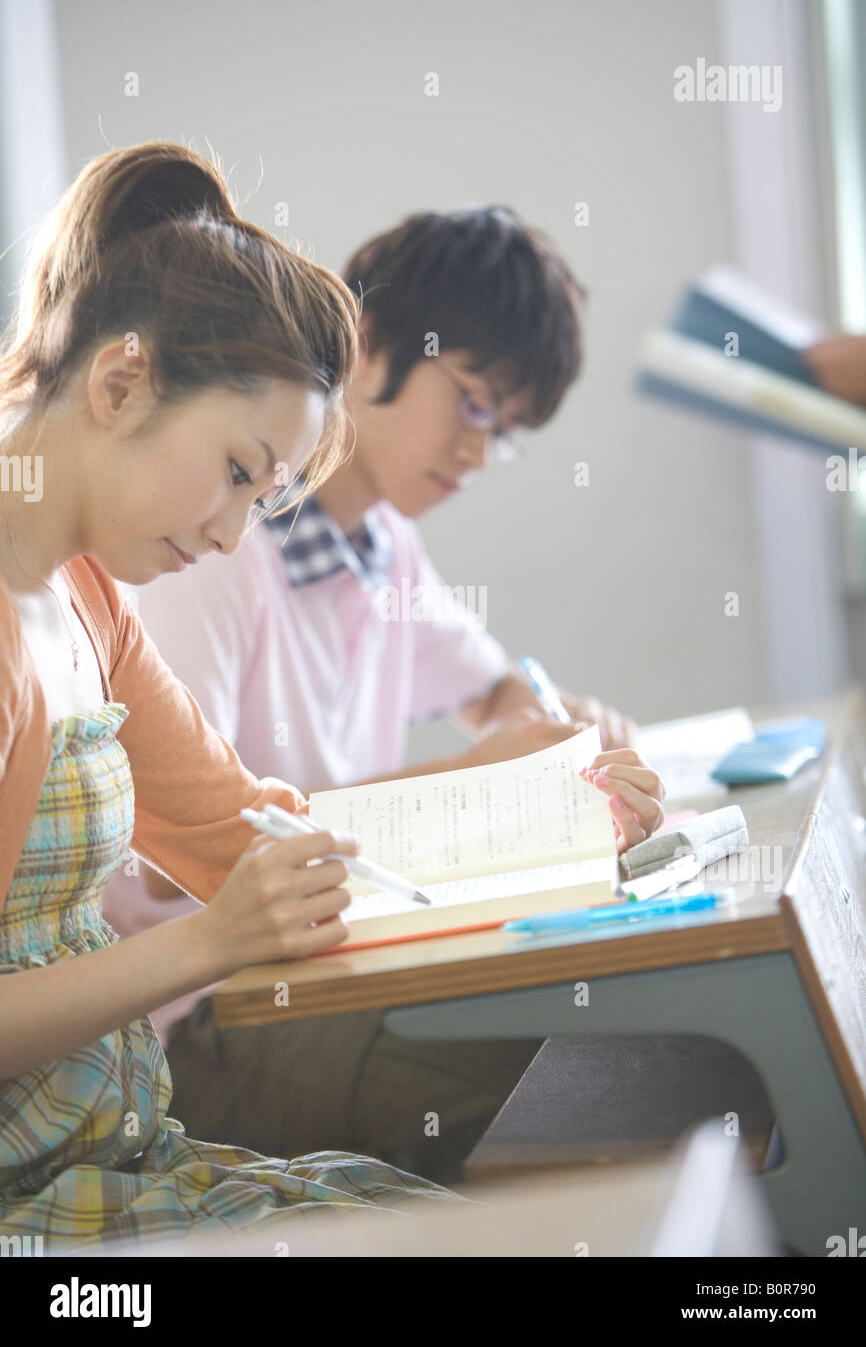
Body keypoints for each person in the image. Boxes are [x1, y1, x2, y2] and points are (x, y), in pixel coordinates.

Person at [103, 206, 665, 1182]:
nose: (479, 452)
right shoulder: (212, 546)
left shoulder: (381, 545)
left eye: (509, 431)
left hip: (338, 963)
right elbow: (167, 864)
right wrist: (460, 783)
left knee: (618, 1002)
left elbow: (492, 685)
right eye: (476, 405)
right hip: (210, 1015)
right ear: (367, 347)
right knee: (608, 1049)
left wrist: (547, 731)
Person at [0, 142, 471, 1251]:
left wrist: (552, 820)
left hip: (112, 1156)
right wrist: (207, 944)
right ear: (120, 384)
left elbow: (240, 827)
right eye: (239, 470)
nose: (228, 534)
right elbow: (227, 902)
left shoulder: (84, 600)